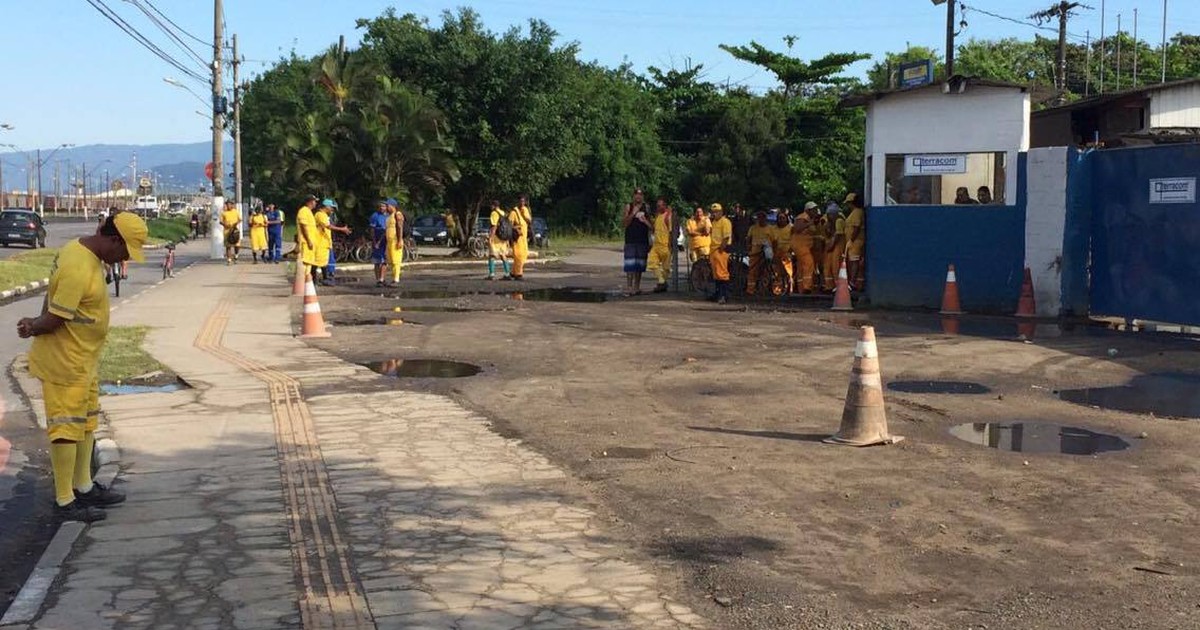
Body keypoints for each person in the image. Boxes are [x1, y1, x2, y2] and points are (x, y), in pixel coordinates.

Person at [17, 212, 147, 522]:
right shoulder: (78, 265)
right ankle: (64, 500)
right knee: (66, 427)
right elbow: (55, 316)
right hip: (65, 361)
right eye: (125, 251)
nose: (124, 258)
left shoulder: (84, 255)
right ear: (113, 240)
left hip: (83, 358)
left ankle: (84, 486)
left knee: (86, 422)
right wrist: (34, 326)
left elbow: (52, 299)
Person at [622, 188, 652, 296]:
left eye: (640, 195)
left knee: (639, 265)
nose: (638, 197)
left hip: (642, 240)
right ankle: (629, 287)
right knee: (630, 265)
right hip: (630, 240)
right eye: (636, 195)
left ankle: (637, 287)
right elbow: (624, 223)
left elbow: (651, 225)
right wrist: (633, 213)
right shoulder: (628, 206)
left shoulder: (646, 207)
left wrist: (645, 221)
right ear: (633, 196)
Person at [791, 202, 820, 293]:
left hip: (806, 246)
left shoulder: (811, 219)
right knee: (809, 263)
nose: (815, 211)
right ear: (808, 210)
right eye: (813, 210)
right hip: (800, 246)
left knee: (801, 267)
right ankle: (807, 286)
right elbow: (797, 229)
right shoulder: (802, 217)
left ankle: (801, 288)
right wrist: (809, 223)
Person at [707, 203, 733, 304]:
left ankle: (724, 295)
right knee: (716, 274)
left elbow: (726, 237)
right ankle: (717, 294)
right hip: (713, 250)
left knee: (722, 274)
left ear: (721, 212)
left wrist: (721, 249)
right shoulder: (713, 222)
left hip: (720, 250)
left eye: (717, 211)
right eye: (713, 212)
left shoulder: (725, 222)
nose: (715, 214)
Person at [647, 197, 673, 293]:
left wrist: (670, 245)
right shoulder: (658, 216)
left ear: (664, 206)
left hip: (665, 245)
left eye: (660, 205)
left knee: (666, 268)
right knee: (652, 263)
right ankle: (661, 281)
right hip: (656, 245)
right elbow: (654, 228)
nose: (658, 207)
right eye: (657, 206)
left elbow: (671, 232)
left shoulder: (668, 216)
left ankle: (662, 284)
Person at [745, 210, 773, 296]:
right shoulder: (753, 228)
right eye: (759, 218)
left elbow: (774, 241)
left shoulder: (770, 228)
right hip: (754, 253)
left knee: (765, 271)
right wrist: (748, 248)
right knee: (752, 271)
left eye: (762, 218)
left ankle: (763, 290)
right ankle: (750, 290)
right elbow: (748, 239)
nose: (760, 220)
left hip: (765, 252)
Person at [844, 193, 866, 291]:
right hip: (853, 240)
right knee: (852, 261)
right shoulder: (854, 212)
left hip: (856, 241)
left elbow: (856, 227)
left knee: (854, 261)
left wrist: (851, 240)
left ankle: (852, 282)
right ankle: (852, 281)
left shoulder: (857, 212)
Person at [823, 201, 847, 292]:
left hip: (838, 247)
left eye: (830, 215)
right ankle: (829, 286)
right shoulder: (831, 223)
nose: (829, 217)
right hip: (833, 247)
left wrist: (831, 246)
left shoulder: (839, 221)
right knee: (829, 266)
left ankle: (839, 286)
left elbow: (838, 235)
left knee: (836, 266)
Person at [508, 195, 533, 281]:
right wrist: (516, 228)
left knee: (524, 254)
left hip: (524, 238)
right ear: (517, 202)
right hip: (517, 238)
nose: (522, 203)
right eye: (520, 201)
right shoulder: (513, 212)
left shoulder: (525, 210)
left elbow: (530, 221)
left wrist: (524, 214)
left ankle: (513, 272)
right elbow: (509, 225)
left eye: (523, 201)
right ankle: (518, 274)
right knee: (519, 255)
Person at [486, 200, 512, 280]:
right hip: (503, 238)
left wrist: (490, 237)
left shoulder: (494, 213)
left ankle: (491, 274)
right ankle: (507, 273)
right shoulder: (503, 213)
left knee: (491, 255)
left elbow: (494, 226)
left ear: (493, 205)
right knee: (503, 255)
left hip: (496, 238)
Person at [295, 195, 319, 276]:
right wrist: (309, 241)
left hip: (310, 243)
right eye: (315, 201)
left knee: (308, 264)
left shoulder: (309, 212)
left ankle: (306, 284)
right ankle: (302, 283)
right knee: (304, 264)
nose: (316, 203)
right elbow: (304, 227)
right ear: (310, 202)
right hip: (305, 243)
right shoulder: (303, 211)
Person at [771, 210, 793, 296]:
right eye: (779, 218)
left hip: (787, 254)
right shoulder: (773, 229)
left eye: (783, 218)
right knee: (778, 274)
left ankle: (790, 290)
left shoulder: (791, 228)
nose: (781, 220)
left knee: (788, 273)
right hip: (777, 253)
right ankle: (778, 291)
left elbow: (793, 240)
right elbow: (773, 242)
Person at [370, 201, 391, 287]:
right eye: (380, 206)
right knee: (377, 261)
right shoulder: (375, 216)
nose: (382, 208)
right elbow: (372, 230)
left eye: (384, 206)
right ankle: (378, 279)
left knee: (385, 260)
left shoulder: (389, 216)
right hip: (377, 239)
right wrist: (375, 241)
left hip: (386, 240)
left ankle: (382, 279)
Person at [385, 198, 405, 285]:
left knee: (396, 260)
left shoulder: (397, 214)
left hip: (395, 240)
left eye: (387, 206)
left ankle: (396, 279)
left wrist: (400, 240)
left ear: (392, 206)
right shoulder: (389, 216)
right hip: (389, 241)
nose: (386, 207)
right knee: (390, 260)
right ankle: (393, 278)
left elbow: (400, 227)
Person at [220, 201, 241, 265]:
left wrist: (235, 224)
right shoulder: (223, 213)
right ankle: (229, 259)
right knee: (228, 246)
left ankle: (236, 256)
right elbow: (220, 221)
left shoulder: (236, 211)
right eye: (227, 205)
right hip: (227, 231)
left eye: (230, 205)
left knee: (237, 245)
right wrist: (225, 224)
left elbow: (239, 219)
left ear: (232, 205)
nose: (228, 206)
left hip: (235, 230)